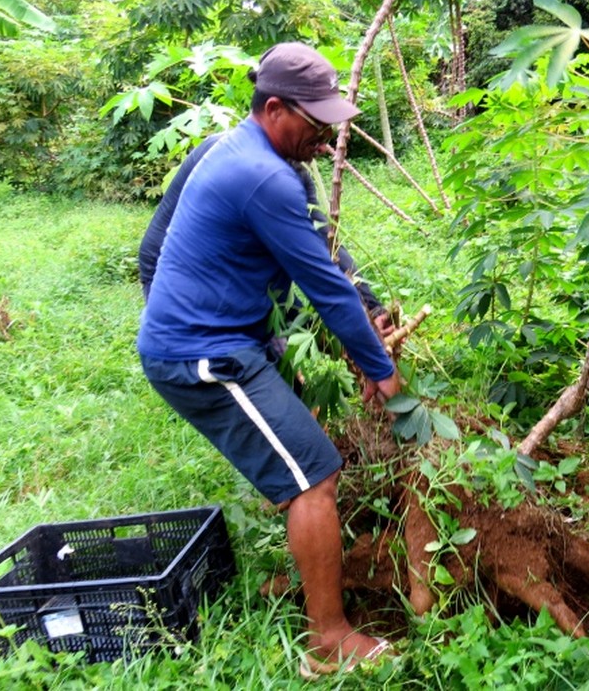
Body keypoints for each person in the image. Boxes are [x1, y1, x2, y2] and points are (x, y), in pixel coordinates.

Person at [137, 42, 401, 677]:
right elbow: (325, 286)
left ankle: (306, 579)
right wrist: (383, 371)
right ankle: (328, 641)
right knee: (314, 475)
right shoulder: (262, 175)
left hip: (230, 342)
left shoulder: (247, 153)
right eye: (315, 123)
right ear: (274, 107)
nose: (324, 137)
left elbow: (325, 260)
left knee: (305, 467)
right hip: (201, 357)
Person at [138, 135, 390, 333]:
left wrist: (372, 307)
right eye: (316, 133)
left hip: (232, 270)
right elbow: (304, 269)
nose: (325, 147)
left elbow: (322, 236)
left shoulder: (292, 171)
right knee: (250, 350)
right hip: (174, 272)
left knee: (295, 331)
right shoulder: (232, 161)